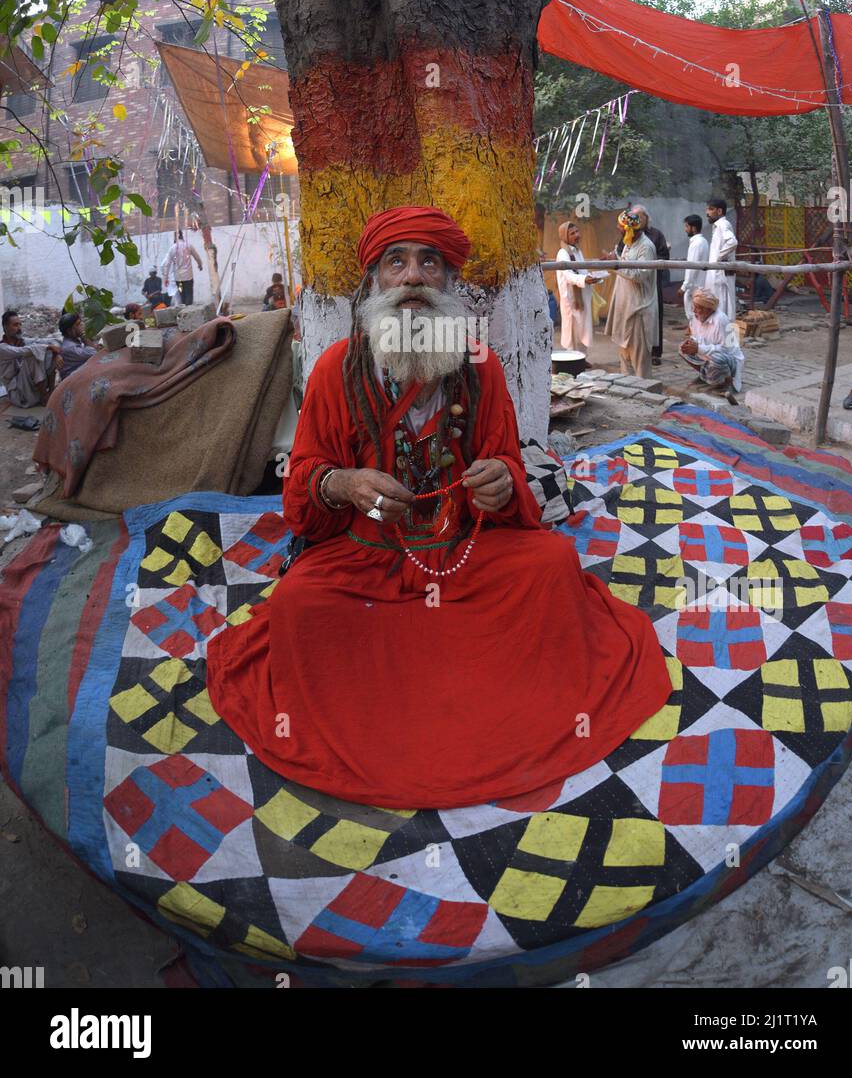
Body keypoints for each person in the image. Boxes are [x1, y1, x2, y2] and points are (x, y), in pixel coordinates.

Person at [207, 204, 671, 808]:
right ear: (375, 282)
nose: (413, 277)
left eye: (430, 262)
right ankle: (398, 715)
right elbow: (302, 488)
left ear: (450, 283)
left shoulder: (480, 367)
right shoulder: (334, 370)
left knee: (551, 566)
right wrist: (344, 485)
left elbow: (507, 463)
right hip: (368, 557)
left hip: (463, 551)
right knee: (300, 603)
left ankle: (489, 705)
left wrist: (501, 481)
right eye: (396, 262)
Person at [604, 210, 658, 378]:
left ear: (627, 229)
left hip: (638, 309)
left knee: (639, 358)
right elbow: (625, 265)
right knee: (625, 356)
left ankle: (645, 396)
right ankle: (627, 391)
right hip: (625, 308)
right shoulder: (628, 243)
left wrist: (616, 264)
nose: (617, 228)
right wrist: (616, 259)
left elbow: (640, 275)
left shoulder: (646, 247)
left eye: (620, 226)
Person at [679, 287, 743, 405]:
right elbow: (696, 337)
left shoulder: (722, 320)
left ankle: (725, 383)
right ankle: (705, 376)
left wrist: (698, 348)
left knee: (717, 359)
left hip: (730, 360)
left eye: (697, 308)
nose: (694, 310)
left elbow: (727, 350)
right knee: (683, 348)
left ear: (707, 309)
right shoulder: (696, 317)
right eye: (694, 307)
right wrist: (691, 343)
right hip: (707, 355)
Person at [629, 205, 669, 364]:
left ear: (646, 217)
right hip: (634, 283)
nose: (637, 220)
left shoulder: (656, 235)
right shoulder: (629, 234)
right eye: (634, 217)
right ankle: (635, 350)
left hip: (652, 282)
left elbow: (664, 255)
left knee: (654, 314)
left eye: (640, 217)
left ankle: (655, 353)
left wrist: (647, 260)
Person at [555, 220, 603, 351]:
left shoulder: (577, 250)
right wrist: (584, 279)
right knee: (572, 332)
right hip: (572, 300)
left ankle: (582, 357)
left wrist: (591, 277)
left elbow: (582, 271)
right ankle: (573, 362)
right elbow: (568, 276)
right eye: (572, 233)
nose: (577, 235)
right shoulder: (563, 253)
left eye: (577, 231)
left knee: (583, 329)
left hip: (582, 297)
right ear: (565, 236)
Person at [0, 308, 61, 405]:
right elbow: (22, 351)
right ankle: (44, 397)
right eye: (15, 325)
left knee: (48, 352)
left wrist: (56, 353)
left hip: (29, 386)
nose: (19, 328)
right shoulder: (2, 348)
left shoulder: (22, 341)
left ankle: (51, 392)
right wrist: (49, 347)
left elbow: (45, 341)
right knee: (32, 355)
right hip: (18, 393)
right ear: (5, 327)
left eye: (20, 324)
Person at [706, 197, 738, 321]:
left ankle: (724, 338)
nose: (707, 213)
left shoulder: (722, 224)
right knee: (719, 306)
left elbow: (732, 242)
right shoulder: (718, 226)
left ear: (719, 211)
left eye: (710, 209)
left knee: (723, 307)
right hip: (718, 274)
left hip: (721, 274)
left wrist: (718, 258)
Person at [679, 214, 710, 319]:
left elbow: (692, 267)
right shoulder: (703, 241)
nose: (685, 229)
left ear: (694, 228)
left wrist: (684, 287)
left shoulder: (697, 244)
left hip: (694, 286)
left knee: (694, 315)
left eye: (687, 226)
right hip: (699, 284)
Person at [161, 231, 202, 306]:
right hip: (188, 277)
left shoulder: (172, 248)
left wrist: (166, 278)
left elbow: (167, 264)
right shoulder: (188, 245)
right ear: (182, 236)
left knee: (182, 294)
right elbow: (197, 257)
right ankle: (189, 311)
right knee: (189, 294)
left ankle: (184, 312)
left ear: (174, 237)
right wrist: (200, 265)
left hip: (178, 279)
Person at [58, 311, 98, 380]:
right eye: (78, 324)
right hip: (72, 380)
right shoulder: (71, 347)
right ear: (70, 330)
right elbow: (95, 353)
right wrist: (83, 335)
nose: (82, 325)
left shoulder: (73, 340)